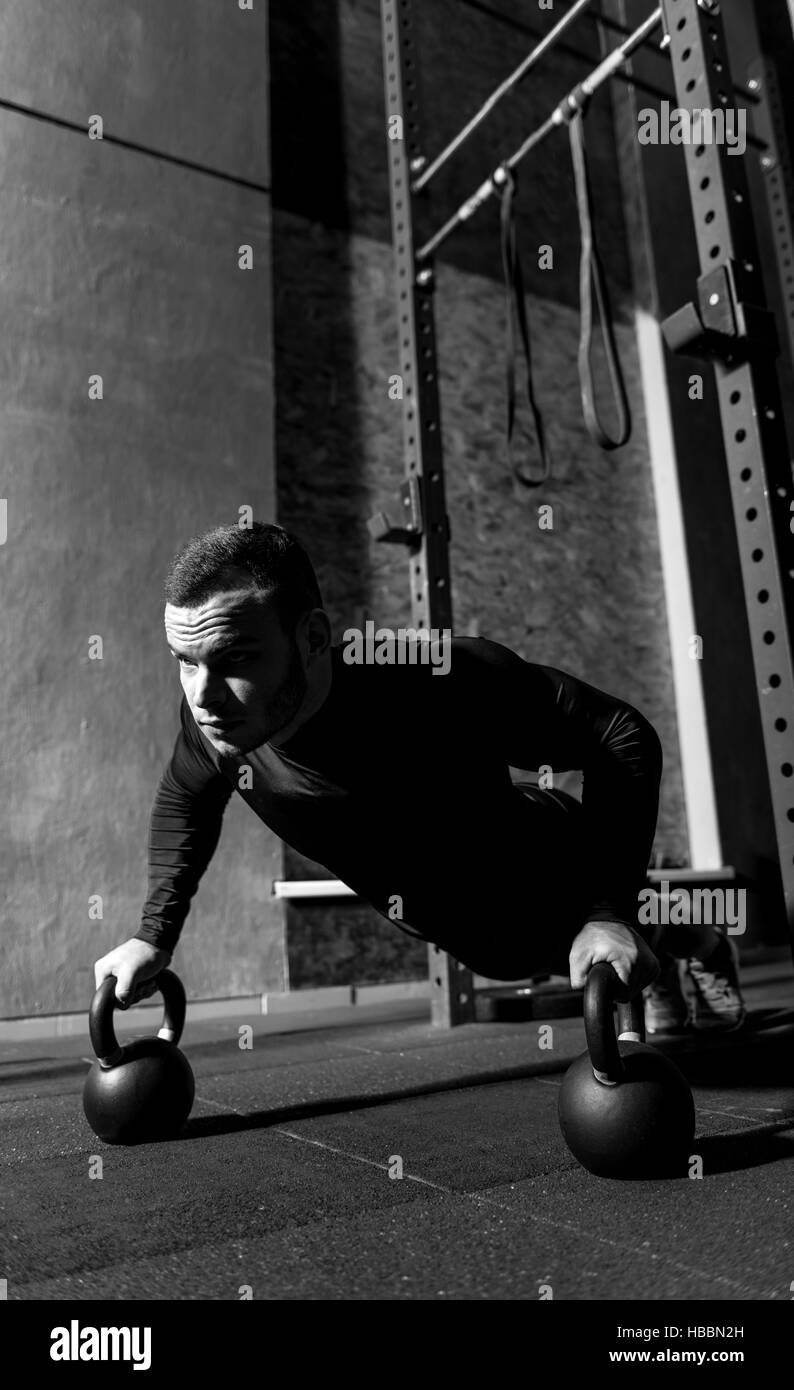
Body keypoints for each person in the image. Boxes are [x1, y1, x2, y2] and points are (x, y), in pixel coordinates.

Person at [93, 522, 744, 1032]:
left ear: (313, 637)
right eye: (184, 661)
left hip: (545, 862)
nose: (202, 694)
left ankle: (706, 944)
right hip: (470, 930)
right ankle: (655, 950)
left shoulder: (432, 678)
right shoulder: (216, 722)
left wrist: (608, 911)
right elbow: (185, 796)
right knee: (518, 955)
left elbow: (619, 733)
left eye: (235, 657)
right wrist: (153, 935)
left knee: (601, 925)